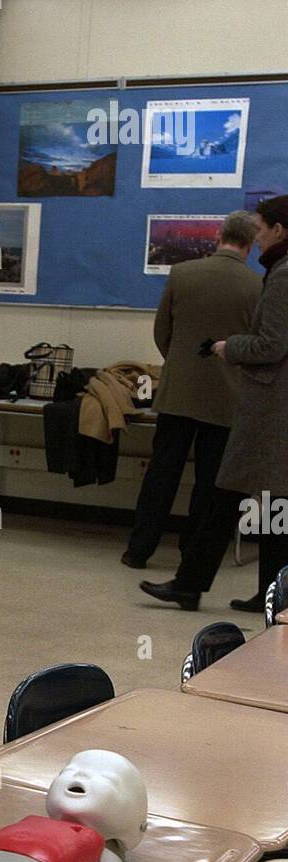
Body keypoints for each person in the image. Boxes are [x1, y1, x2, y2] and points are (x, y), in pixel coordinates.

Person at [141, 196, 288, 612]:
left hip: (268, 405)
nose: (257, 237)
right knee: (272, 503)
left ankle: (190, 584)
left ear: (279, 229)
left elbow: (271, 344)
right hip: (269, 405)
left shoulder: (280, 276)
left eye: (262, 227)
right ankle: (272, 594)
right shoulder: (266, 277)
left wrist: (229, 346)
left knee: (226, 495)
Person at [122, 210, 260, 570]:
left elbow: (161, 330)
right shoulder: (256, 286)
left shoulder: (182, 273)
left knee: (161, 474)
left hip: (179, 393)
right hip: (227, 398)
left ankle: (139, 549)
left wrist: (180, 362)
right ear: (249, 245)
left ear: (219, 236)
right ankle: (191, 554)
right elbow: (255, 345)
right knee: (209, 483)